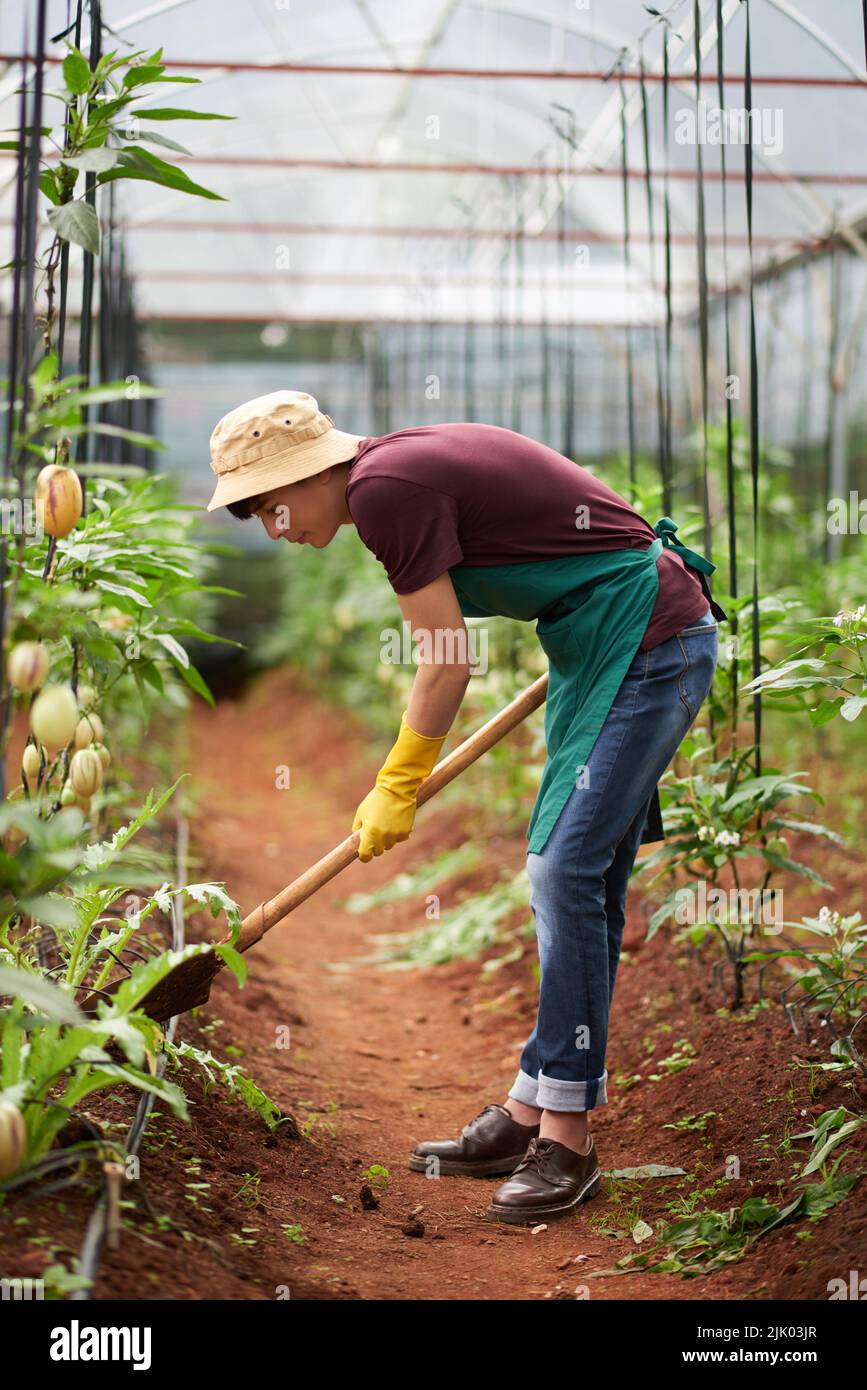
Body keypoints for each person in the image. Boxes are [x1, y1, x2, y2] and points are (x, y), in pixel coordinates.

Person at [206, 388, 721, 1225]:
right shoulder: (390, 471)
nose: (277, 528)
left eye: (270, 506)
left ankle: (568, 1142)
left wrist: (398, 780)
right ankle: (531, 1114)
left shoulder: (383, 491)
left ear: (305, 474)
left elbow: (446, 659)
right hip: (602, 644)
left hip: (645, 641)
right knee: (583, 876)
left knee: (563, 872)